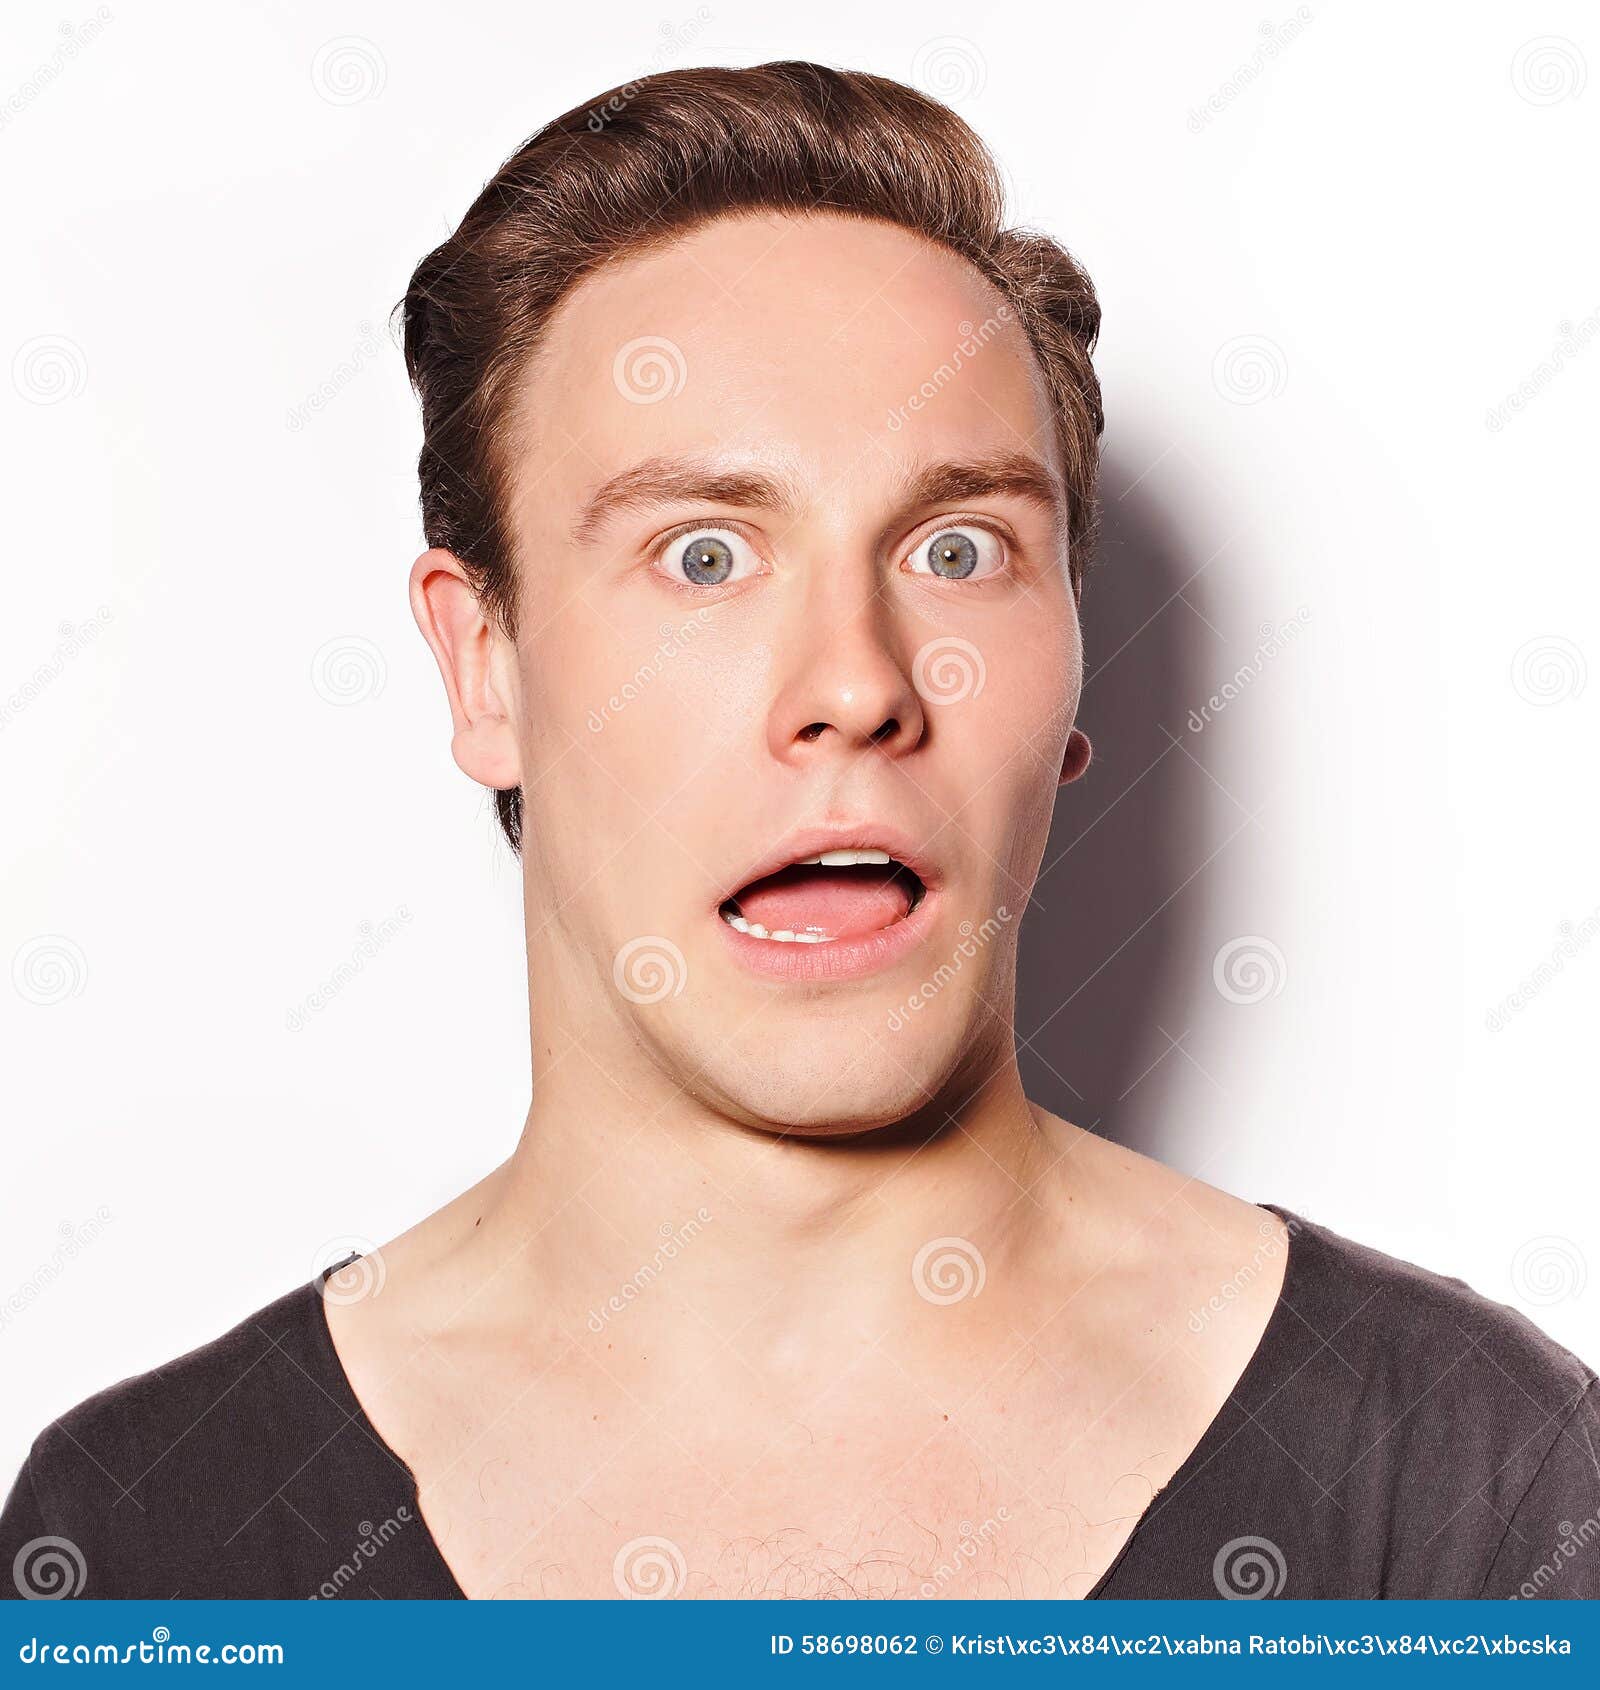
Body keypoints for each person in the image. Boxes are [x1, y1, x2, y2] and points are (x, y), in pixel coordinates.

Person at [3, 62, 1596, 1603]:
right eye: (704, 557)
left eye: (960, 547)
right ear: (483, 663)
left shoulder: (1469, 1480)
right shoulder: (155, 1540)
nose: (854, 684)